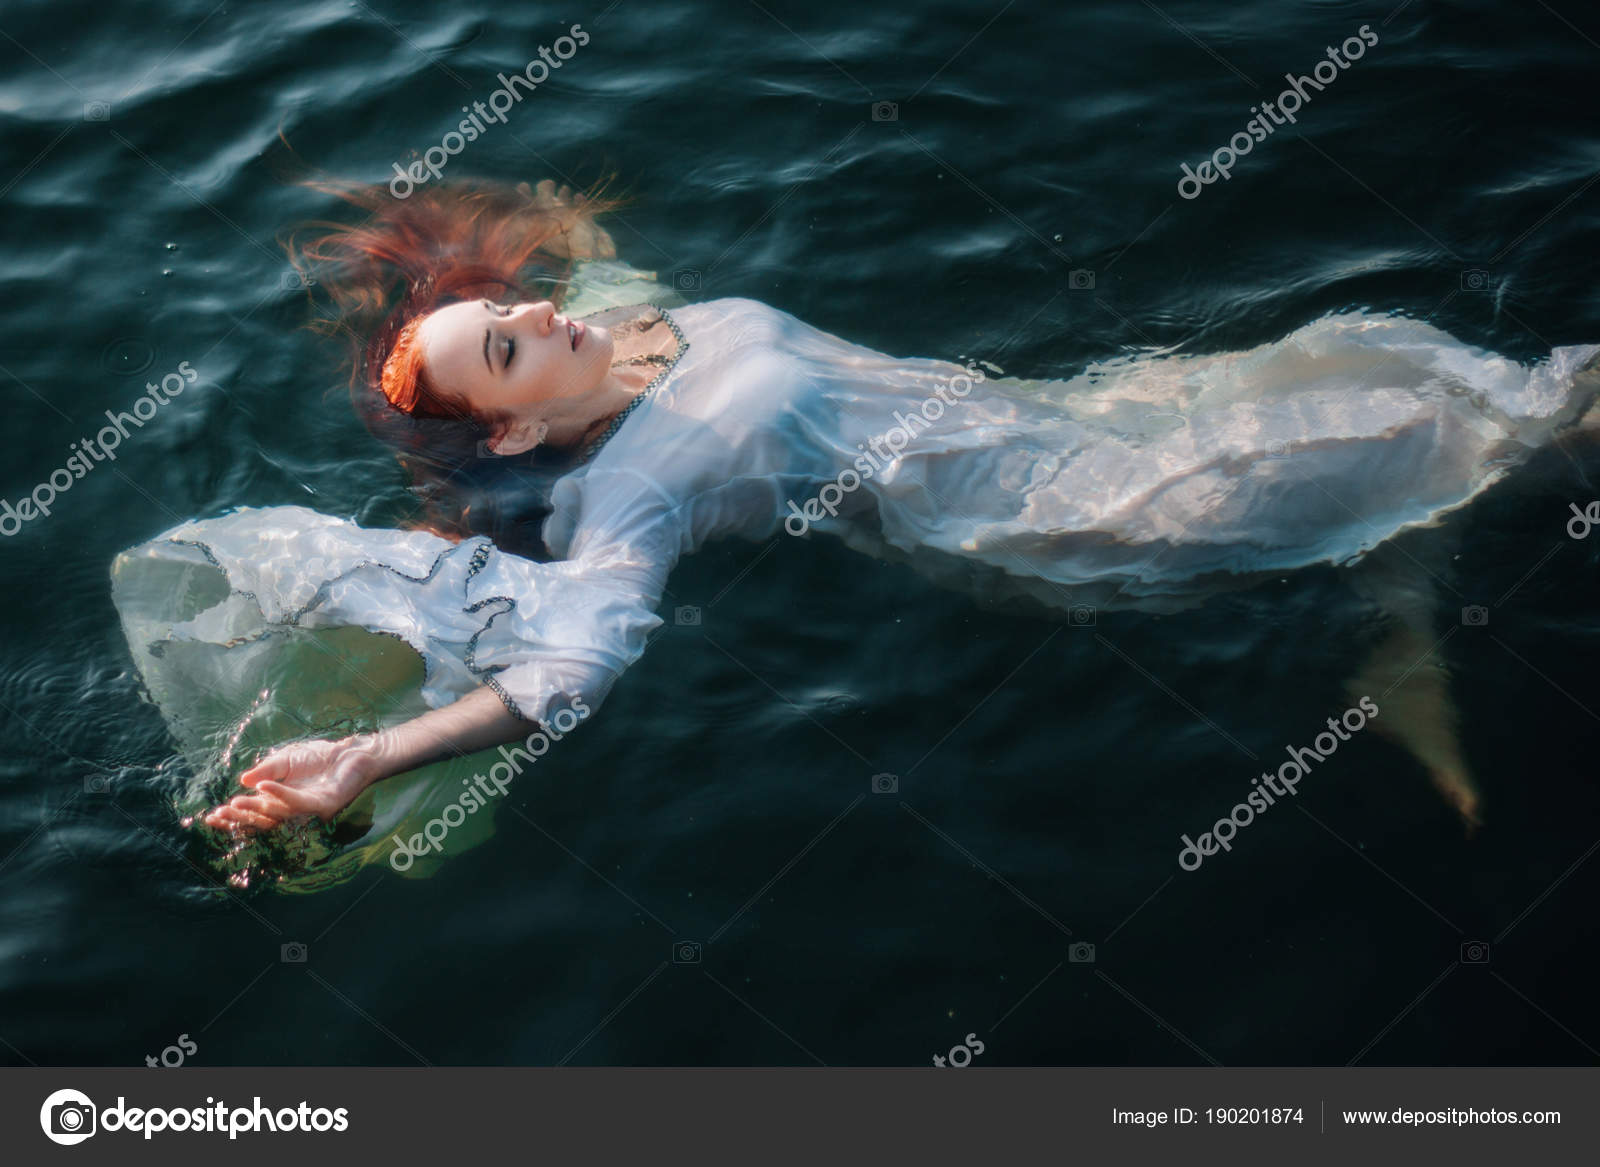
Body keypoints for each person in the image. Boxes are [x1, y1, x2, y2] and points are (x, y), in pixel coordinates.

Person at [178, 177, 1600, 835]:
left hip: (1076, 412)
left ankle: (1398, 615)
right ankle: (1400, 617)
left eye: (510, 305)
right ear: (529, 421)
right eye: (508, 341)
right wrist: (374, 756)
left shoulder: (620, 333)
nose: (538, 308)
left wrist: (530, 231)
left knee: (1391, 366)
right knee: (1466, 428)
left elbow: (570, 278)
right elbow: (579, 659)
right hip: (1088, 514)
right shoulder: (637, 487)